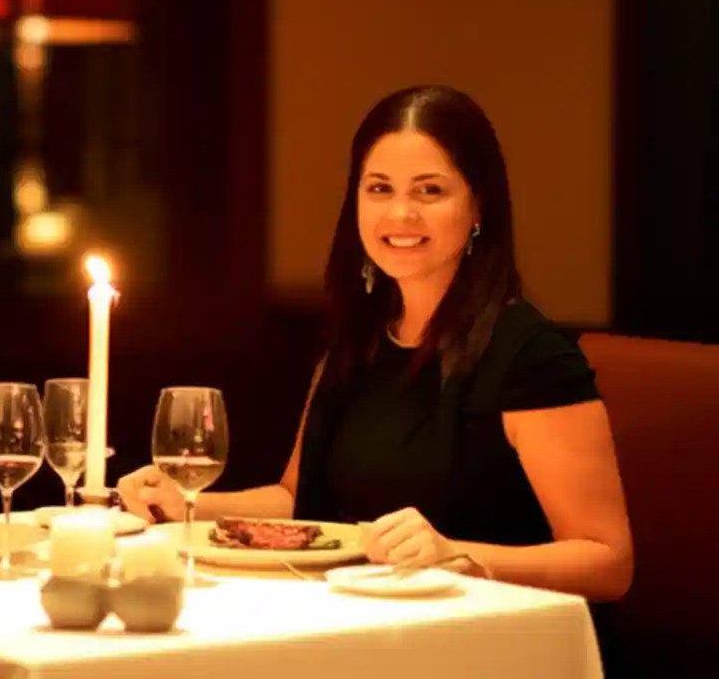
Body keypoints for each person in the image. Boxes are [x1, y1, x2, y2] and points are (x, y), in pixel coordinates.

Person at [118, 85, 633, 602]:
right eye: (380, 189)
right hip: (371, 616)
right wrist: (187, 504)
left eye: (430, 191)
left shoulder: (530, 356)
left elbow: (607, 562)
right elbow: (298, 500)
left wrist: (455, 555)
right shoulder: (359, 340)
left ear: (479, 206)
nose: (400, 214)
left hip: (489, 630)